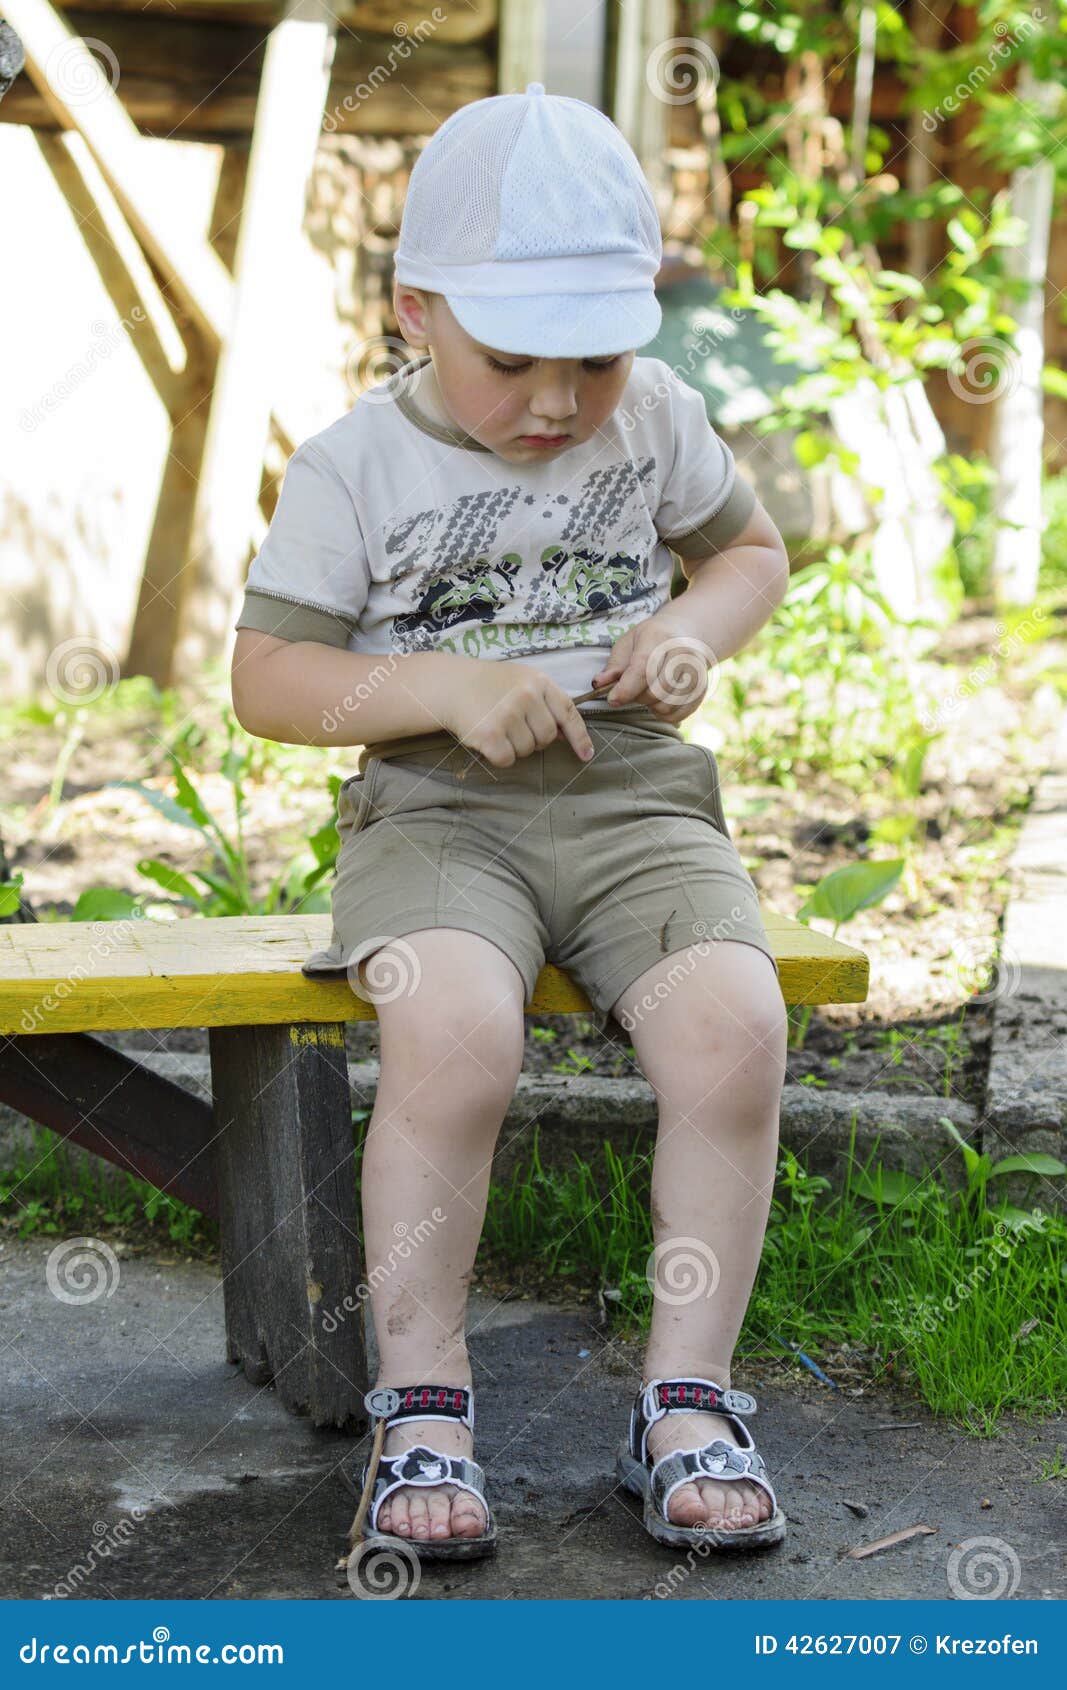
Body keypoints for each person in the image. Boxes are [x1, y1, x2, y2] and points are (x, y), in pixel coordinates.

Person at [231, 82, 791, 1560]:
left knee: (737, 1029)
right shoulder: (356, 466)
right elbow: (267, 680)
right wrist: (439, 689)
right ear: (416, 311)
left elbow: (750, 553)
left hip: (635, 799)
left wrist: (690, 633)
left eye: (595, 358)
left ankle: (688, 1400)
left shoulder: (653, 420)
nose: (556, 401)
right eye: (513, 360)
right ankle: (424, 1406)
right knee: (458, 1037)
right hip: (434, 814)